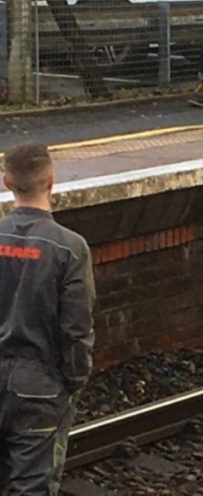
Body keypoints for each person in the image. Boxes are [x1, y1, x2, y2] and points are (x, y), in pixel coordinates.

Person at [0, 143, 95, 496]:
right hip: (38, 385)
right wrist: (73, 381)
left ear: (7, 181)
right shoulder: (70, 248)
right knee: (33, 487)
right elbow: (77, 326)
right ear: (51, 182)